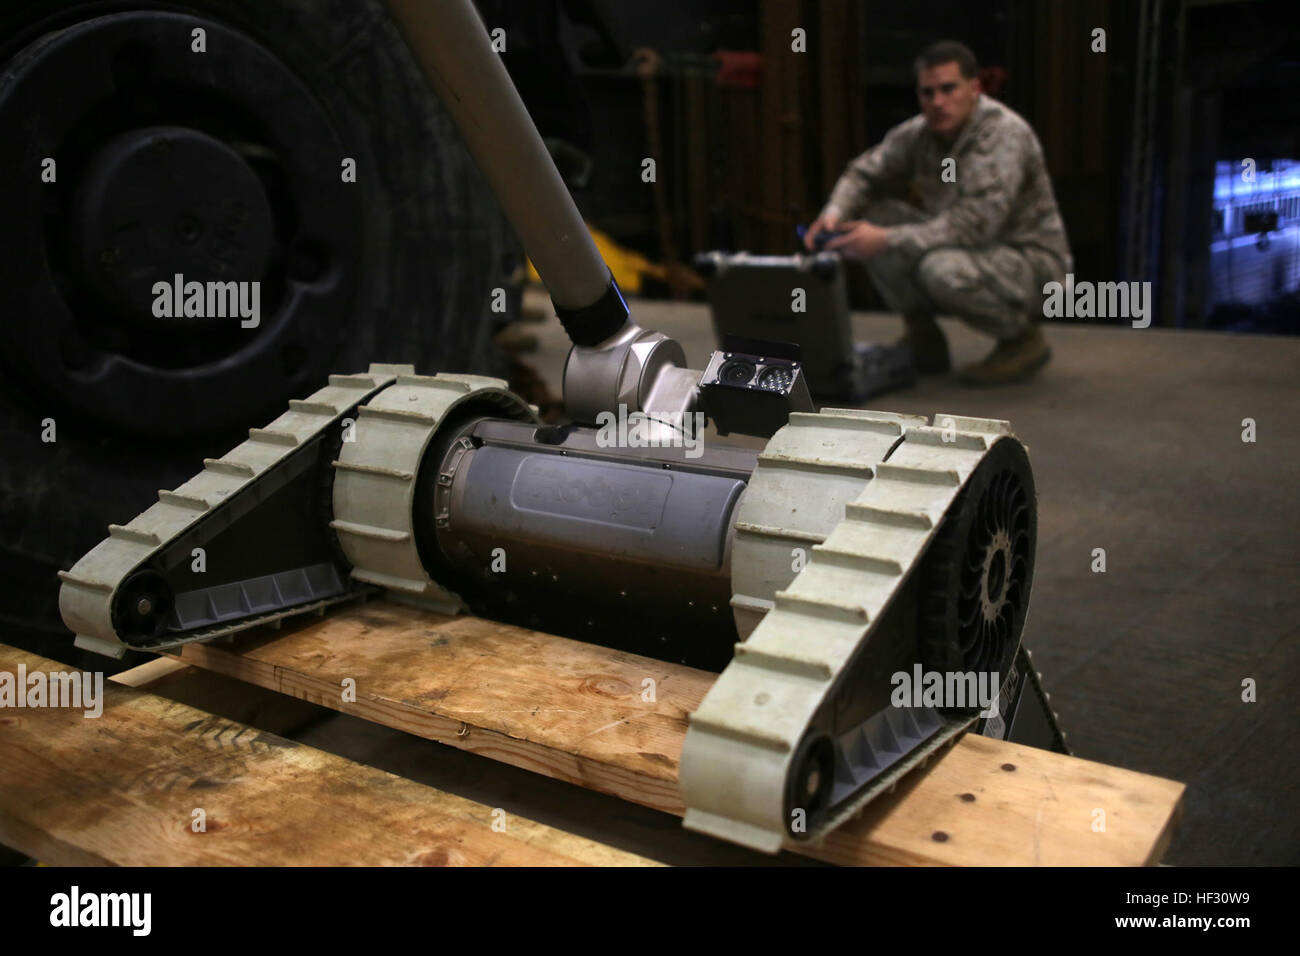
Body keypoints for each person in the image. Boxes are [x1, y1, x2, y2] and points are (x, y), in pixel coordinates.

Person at [805, 41, 1072, 385]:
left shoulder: (1003, 135)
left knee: (937, 268)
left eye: (948, 89)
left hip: (1032, 264)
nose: (937, 102)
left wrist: (885, 240)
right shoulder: (920, 133)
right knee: (875, 215)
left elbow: (974, 225)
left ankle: (1021, 339)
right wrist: (833, 215)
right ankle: (923, 339)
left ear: (974, 89)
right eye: (927, 93)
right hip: (970, 247)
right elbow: (863, 173)